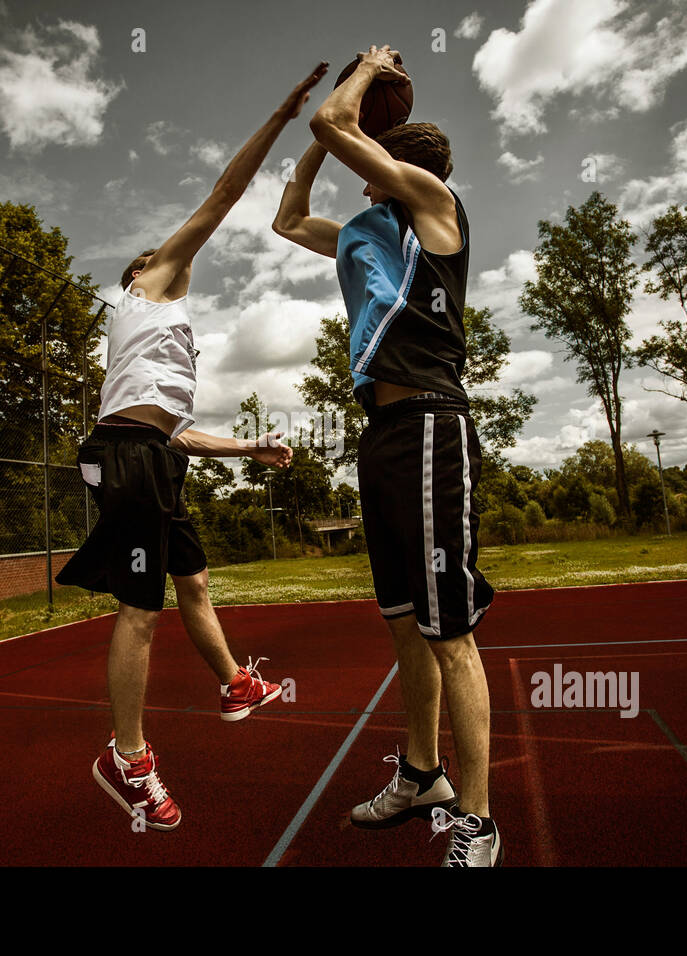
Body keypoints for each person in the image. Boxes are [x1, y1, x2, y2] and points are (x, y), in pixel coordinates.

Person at [57, 62, 330, 831]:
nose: (173, 257)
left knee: (196, 584)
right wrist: (281, 116)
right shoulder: (150, 286)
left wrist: (251, 450)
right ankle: (127, 756)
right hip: (127, 455)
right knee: (139, 613)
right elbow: (222, 196)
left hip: (156, 456)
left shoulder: (164, 338)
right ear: (141, 272)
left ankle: (236, 683)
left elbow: (181, 432)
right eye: (158, 255)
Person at [273, 46, 498, 866]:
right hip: (381, 437)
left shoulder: (435, 206)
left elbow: (334, 122)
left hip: (434, 424)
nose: (352, 162)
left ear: (393, 161)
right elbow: (288, 219)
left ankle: (476, 819)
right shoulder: (363, 235)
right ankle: (423, 774)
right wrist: (323, 139)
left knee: (449, 634)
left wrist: (362, 77)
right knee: (406, 628)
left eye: (368, 151)